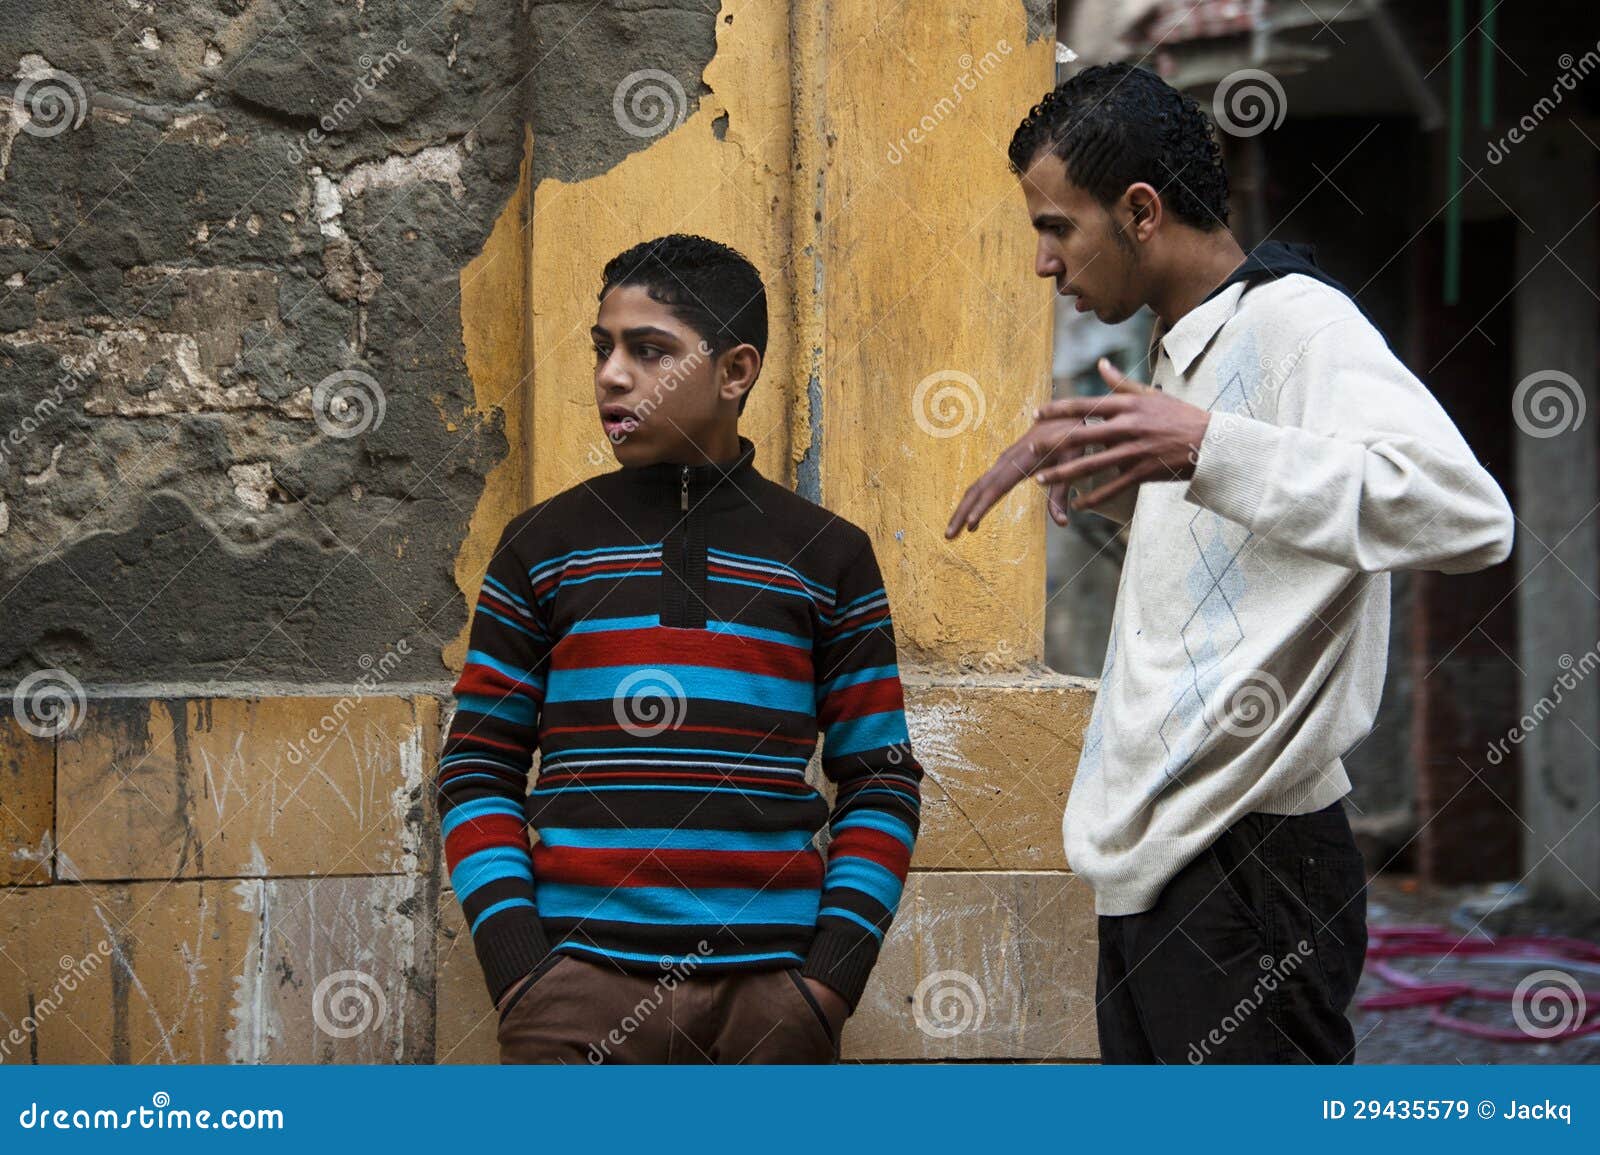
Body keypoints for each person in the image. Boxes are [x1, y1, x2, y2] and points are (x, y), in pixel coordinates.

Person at [946, 64, 1514, 1064]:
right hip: (1156, 865)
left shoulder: (1297, 323)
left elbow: (1467, 515)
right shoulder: (1179, 352)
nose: (1043, 263)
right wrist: (1145, 477)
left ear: (1138, 211)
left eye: (1053, 227)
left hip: (1254, 866)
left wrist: (1207, 449)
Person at [438, 234, 923, 1063]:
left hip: (770, 1008)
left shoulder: (827, 554)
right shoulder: (542, 546)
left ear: (735, 372)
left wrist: (824, 987)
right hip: (574, 998)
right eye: (602, 348)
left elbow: (881, 780)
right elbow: (477, 765)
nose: (611, 374)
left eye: (648, 349)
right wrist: (523, 973)